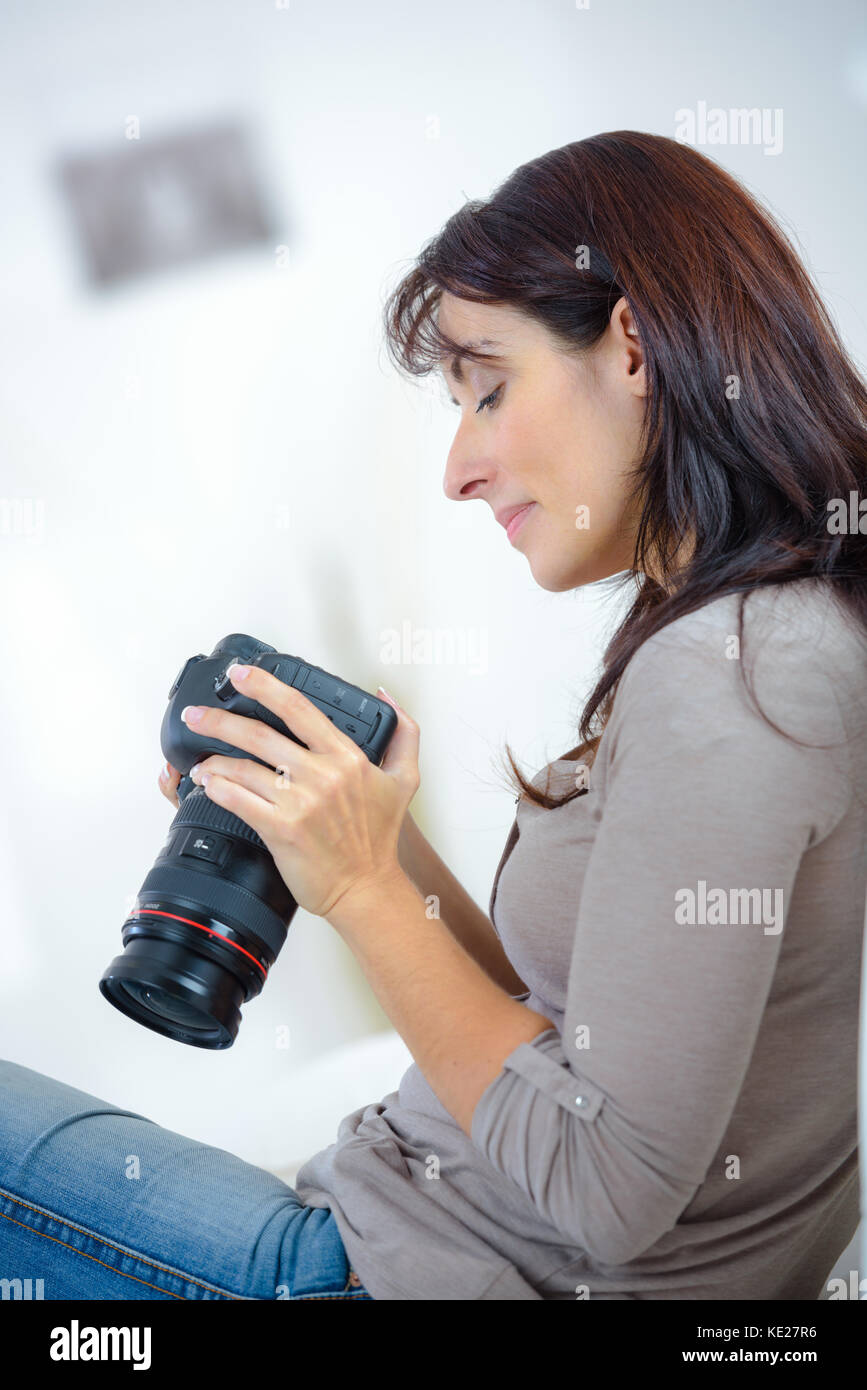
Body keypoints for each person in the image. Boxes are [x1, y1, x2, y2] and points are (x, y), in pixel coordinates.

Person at [2, 129, 866, 1300]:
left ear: (634, 348)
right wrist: (375, 834)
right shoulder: (776, 627)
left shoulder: (734, 672)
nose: (458, 469)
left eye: (491, 390)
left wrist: (360, 889)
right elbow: (557, 1039)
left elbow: (609, 1185)